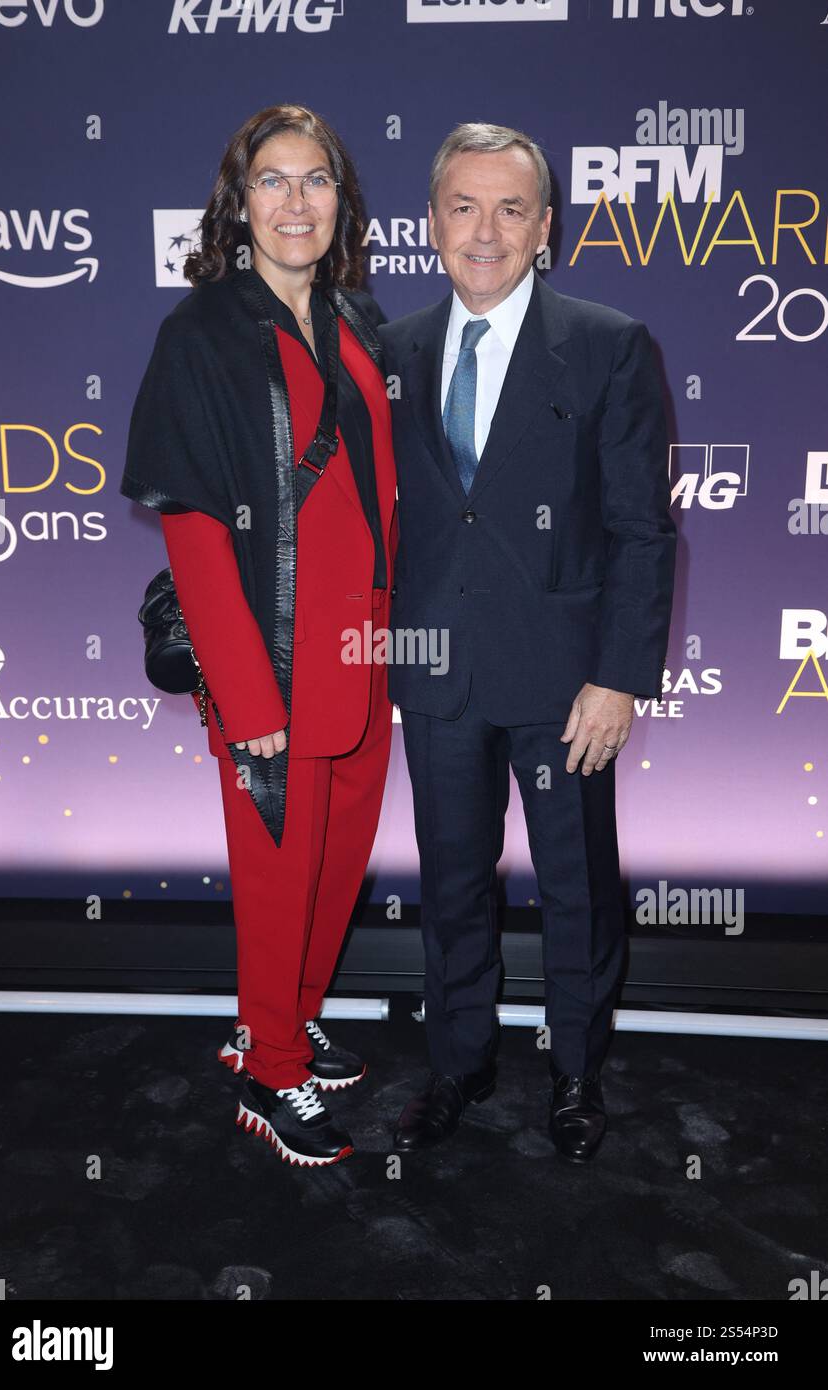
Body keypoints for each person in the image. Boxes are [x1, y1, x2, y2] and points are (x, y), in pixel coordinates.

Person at [379, 123, 676, 1163]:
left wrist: (618, 676)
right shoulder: (391, 349)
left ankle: (575, 1074)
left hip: (564, 684)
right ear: (431, 223)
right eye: (463, 206)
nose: (485, 230)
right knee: (450, 881)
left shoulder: (606, 341)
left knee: (574, 883)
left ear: (545, 227)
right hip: (434, 674)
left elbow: (643, 527)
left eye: (510, 208)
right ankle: (458, 1062)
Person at [120, 105, 397, 1168]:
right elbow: (191, 527)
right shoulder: (198, 334)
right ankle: (268, 1070)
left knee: (336, 865)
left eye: (314, 179)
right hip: (271, 661)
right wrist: (247, 697)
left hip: (364, 658)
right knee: (279, 872)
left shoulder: (358, 320)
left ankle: (289, 1012)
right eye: (271, 182)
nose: (295, 202)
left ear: (340, 199)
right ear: (238, 205)